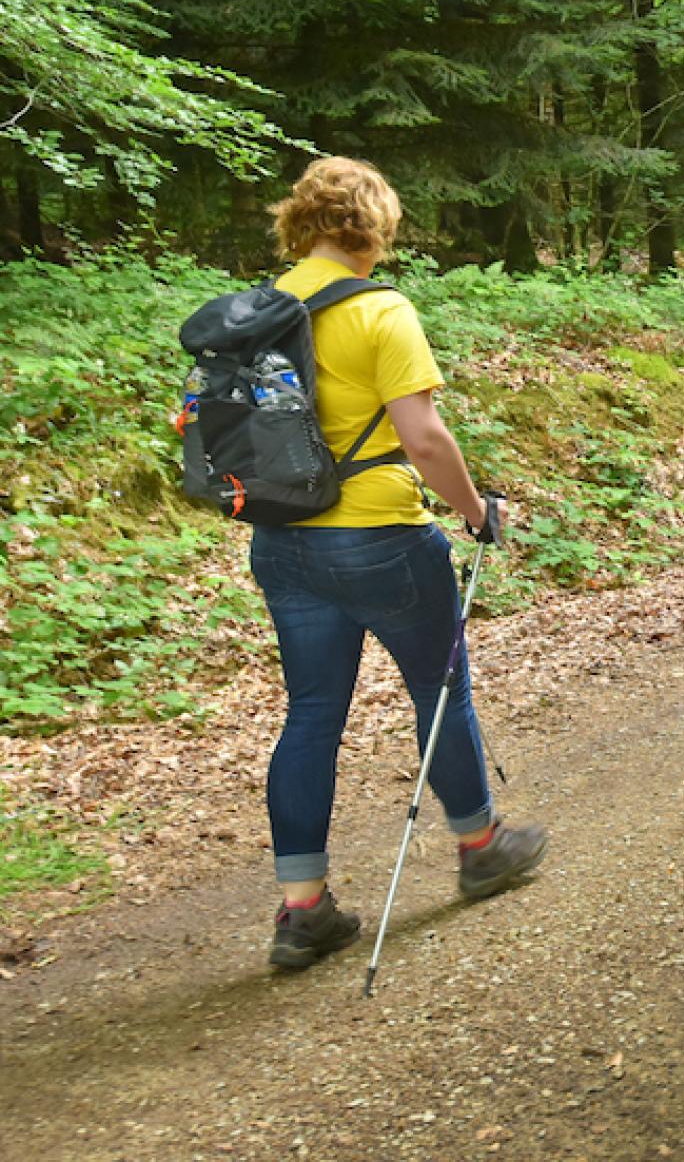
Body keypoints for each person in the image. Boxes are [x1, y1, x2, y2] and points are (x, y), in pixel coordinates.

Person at [250, 156, 548, 971]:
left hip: (283, 542)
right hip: (380, 536)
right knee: (440, 687)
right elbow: (422, 438)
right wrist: (475, 511)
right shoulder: (381, 310)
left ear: (301, 222)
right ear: (372, 228)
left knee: (311, 714)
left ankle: (302, 908)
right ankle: (480, 847)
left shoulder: (262, 310)